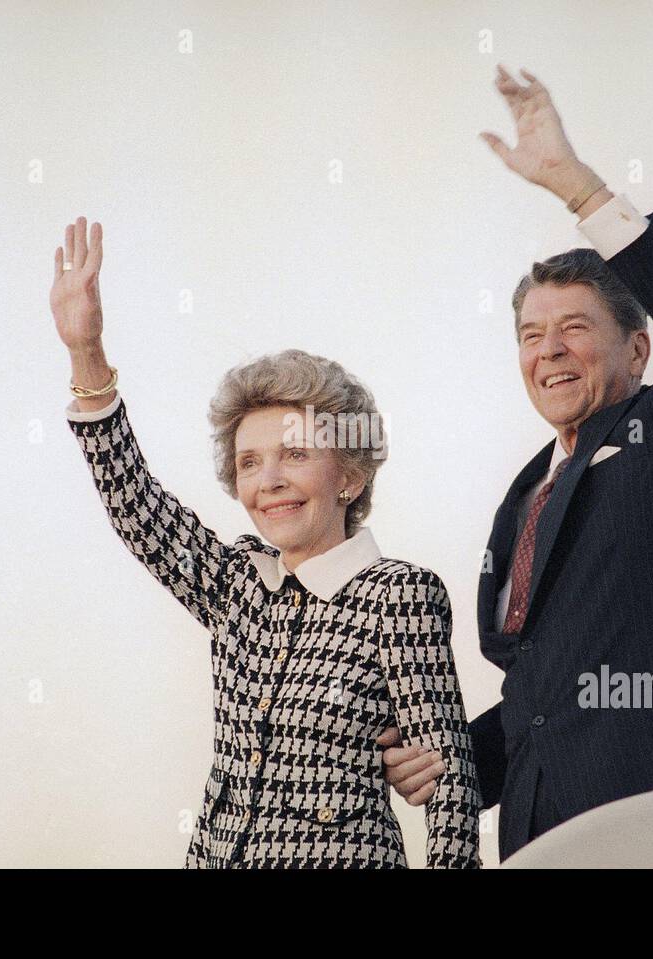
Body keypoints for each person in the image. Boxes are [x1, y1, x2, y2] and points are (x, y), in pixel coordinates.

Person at [381, 65, 653, 862]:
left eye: (575, 328)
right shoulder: (524, 497)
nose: (548, 351)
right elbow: (545, 704)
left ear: (638, 346)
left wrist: (578, 189)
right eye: (530, 334)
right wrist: (449, 760)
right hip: (543, 843)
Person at [51, 217, 480, 867]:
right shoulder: (236, 584)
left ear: (350, 474)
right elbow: (137, 504)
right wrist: (87, 353)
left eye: (294, 454)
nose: (269, 480)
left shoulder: (401, 594)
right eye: (249, 462)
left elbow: (449, 787)